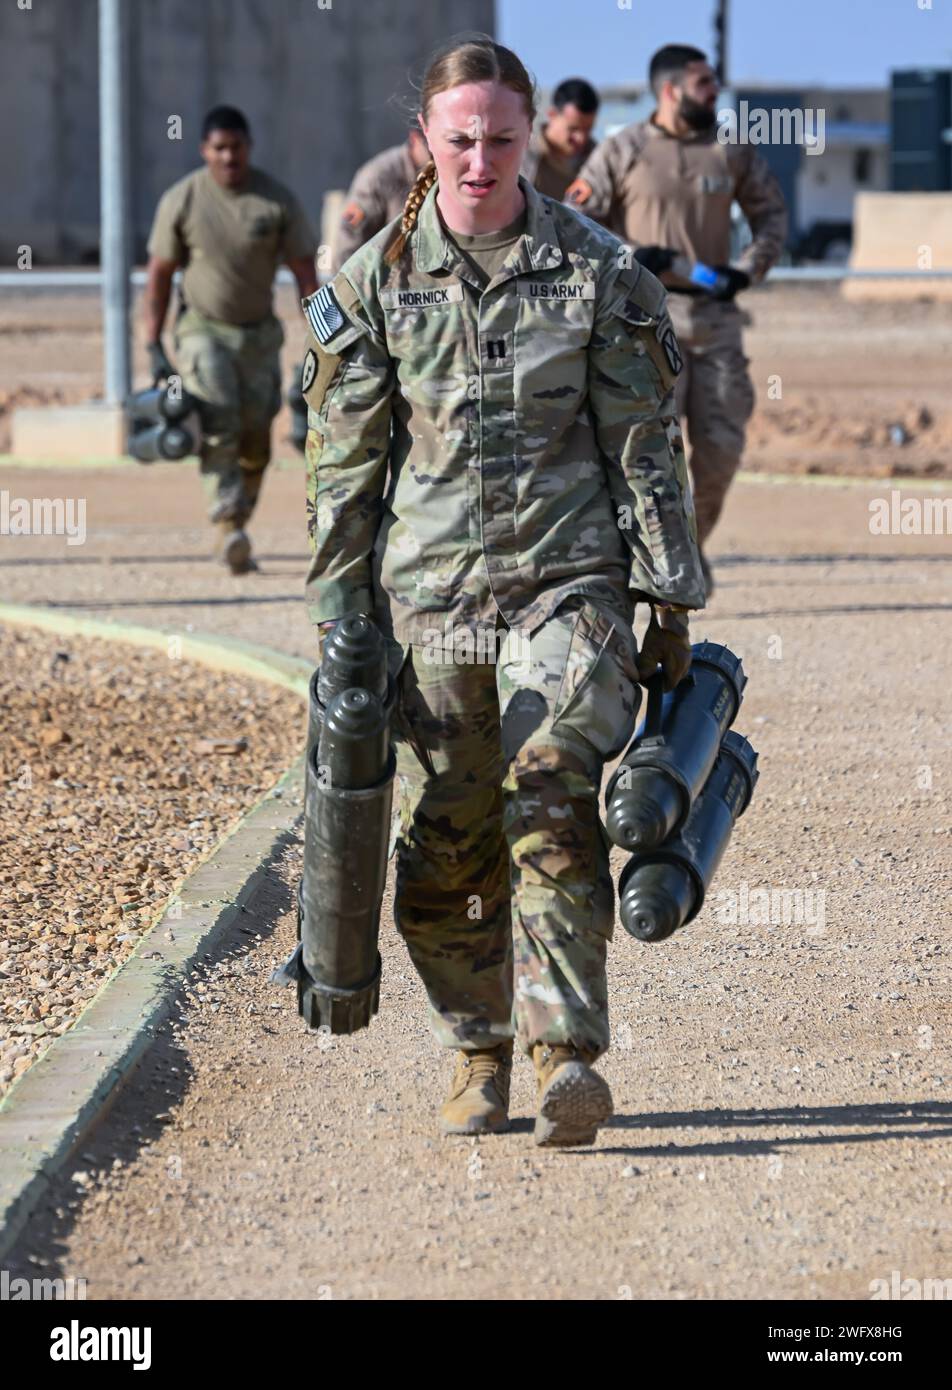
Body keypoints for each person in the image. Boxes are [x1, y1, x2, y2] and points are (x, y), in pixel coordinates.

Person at [301, 37, 706, 1147]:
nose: (481, 160)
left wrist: (666, 600)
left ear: (531, 141)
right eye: (461, 138)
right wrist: (341, 623)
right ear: (424, 142)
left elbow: (641, 448)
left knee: (549, 784)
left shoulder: (596, 272)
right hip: (427, 603)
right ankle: (474, 1050)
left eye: (502, 139)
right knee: (448, 833)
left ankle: (565, 1052)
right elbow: (343, 471)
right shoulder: (375, 282)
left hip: (564, 590)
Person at [567, 45, 787, 593]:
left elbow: (771, 215)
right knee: (653, 453)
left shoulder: (729, 150)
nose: (715, 92)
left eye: (714, 83)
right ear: (670, 91)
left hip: (715, 317)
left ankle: (690, 545)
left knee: (721, 448)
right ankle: (656, 562)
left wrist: (748, 268)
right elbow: (573, 220)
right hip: (644, 318)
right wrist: (631, 252)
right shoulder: (624, 149)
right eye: (704, 83)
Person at [144, 105, 318, 574]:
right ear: (204, 150)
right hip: (202, 329)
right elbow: (159, 275)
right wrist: (152, 344)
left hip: (259, 335)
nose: (228, 157)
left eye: (235, 147)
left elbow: (306, 274)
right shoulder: (182, 200)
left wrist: (322, 337)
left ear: (248, 147)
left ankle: (237, 523)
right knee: (220, 419)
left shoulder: (275, 201)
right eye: (218, 148)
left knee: (257, 432)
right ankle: (225, 521)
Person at [331, 128, 432, 272]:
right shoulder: (379, 176)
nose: (436, 153)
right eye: (429, 145)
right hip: (383, 279)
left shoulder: (442, 173)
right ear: (414, 138)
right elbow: (349, 243)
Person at [521, 77, 599, 200]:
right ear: (552, 115)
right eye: (573, 129)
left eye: (587, 129)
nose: (581, 138)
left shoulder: (598, 159)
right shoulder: (524, 154)